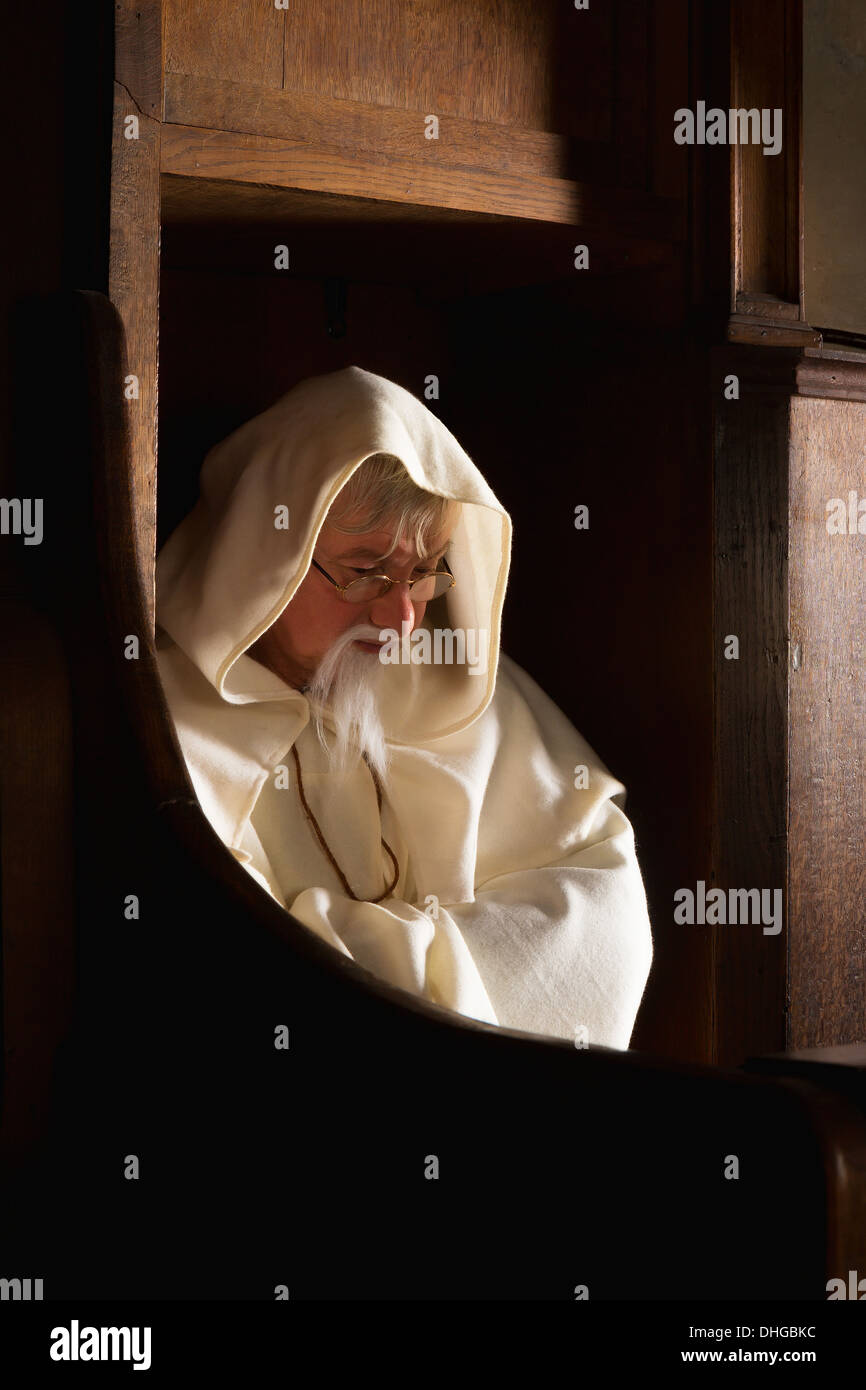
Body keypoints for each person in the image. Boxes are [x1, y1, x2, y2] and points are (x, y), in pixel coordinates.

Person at [155, 365, 653, 1046]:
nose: (402, 620)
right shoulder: (160, 718)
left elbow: (604, 923)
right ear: (264, 554)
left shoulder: (460, 686)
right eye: (366, 573)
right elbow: (242, 974)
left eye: (424, 574)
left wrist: (398, 960)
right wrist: (463, 961)